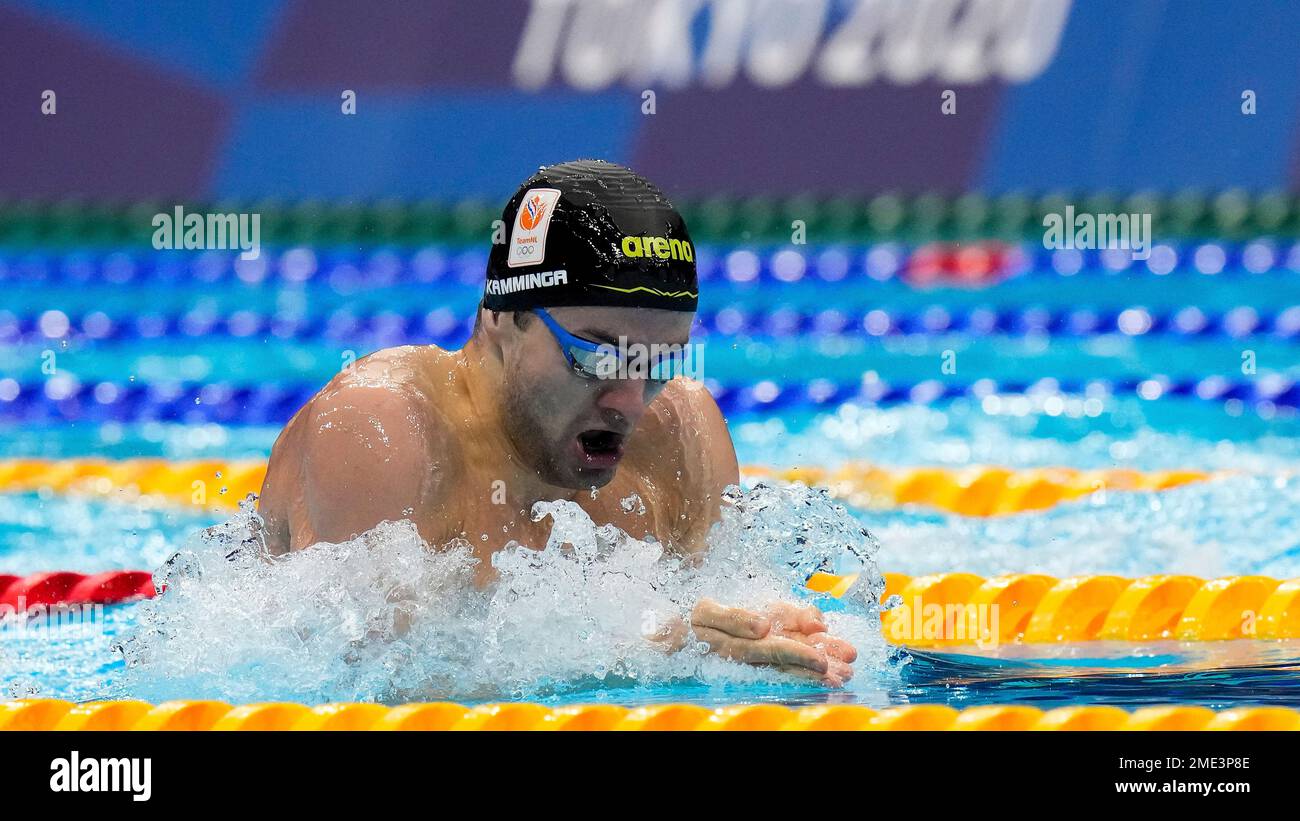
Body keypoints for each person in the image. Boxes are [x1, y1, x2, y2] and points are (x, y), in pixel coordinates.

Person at [257, 160, 856, 686]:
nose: (629, 402)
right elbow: (383, 683)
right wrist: (665, 650)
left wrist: (769, 639)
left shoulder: (681, 426)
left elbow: (723, 620)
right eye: (596, 355)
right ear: (501, 317)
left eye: (658, 363)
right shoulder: (382, 426)